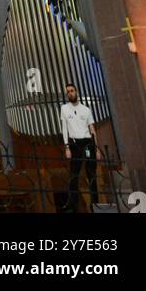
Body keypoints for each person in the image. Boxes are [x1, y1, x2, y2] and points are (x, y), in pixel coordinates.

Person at [60, 83, 100, 211]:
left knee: (91, 172)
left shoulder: (86, 110)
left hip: (87, 144)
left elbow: (92, 129)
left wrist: (97, 148)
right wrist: (67, 147)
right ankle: (73, 205)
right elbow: (64, 129)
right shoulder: (64, 109)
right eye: (68, 92)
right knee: (74, 174)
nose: (70, 93)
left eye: (72, 90)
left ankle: (95, 204)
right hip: (74, 144)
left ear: (76, 92)